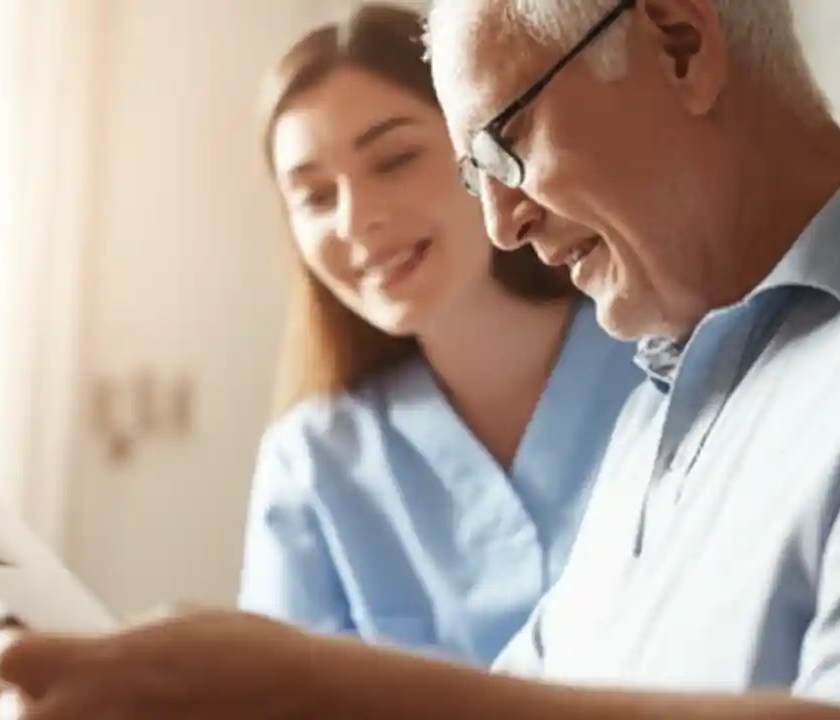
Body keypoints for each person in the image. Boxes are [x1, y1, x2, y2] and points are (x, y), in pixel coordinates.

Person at [0, 1, 840, 719]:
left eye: (503, 143)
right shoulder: (668, 394)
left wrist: (303, 688)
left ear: (678, 44)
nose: (498, 224)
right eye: (473, 172)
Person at [238, 4, 640, 666]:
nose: (356, 219)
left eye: (394, 159)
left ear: (483, 147)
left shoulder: (661, 361)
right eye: (312, 196)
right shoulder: (311, 463)